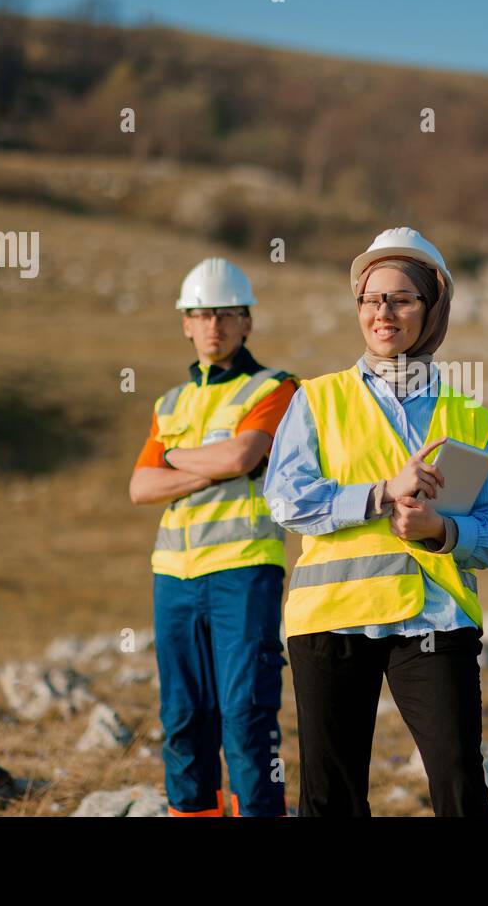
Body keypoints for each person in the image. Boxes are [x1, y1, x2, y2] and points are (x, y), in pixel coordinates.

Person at [264, 226, 488, 816]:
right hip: (333, 620)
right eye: (371, 299)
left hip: (435, 620)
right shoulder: (317, 399)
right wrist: (379, 493)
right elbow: (286, 499)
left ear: (431, 308)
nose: (384, 312)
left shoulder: (469, 415)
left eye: (401, 298)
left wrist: (442, 532)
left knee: (459, 782)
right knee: (331, 798)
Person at [129, 257, 298, 817]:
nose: (213, 326)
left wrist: (174, 459)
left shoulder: (275, 387)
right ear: (185, 322)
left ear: (247, 321)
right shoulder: (170, 403)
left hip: (244, 571)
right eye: (200, 315)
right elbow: (139, 485)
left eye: (226, 314)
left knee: (246, 717)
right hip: (173, 577)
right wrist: (202, 467)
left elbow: (244, 454)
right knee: (182, 718)